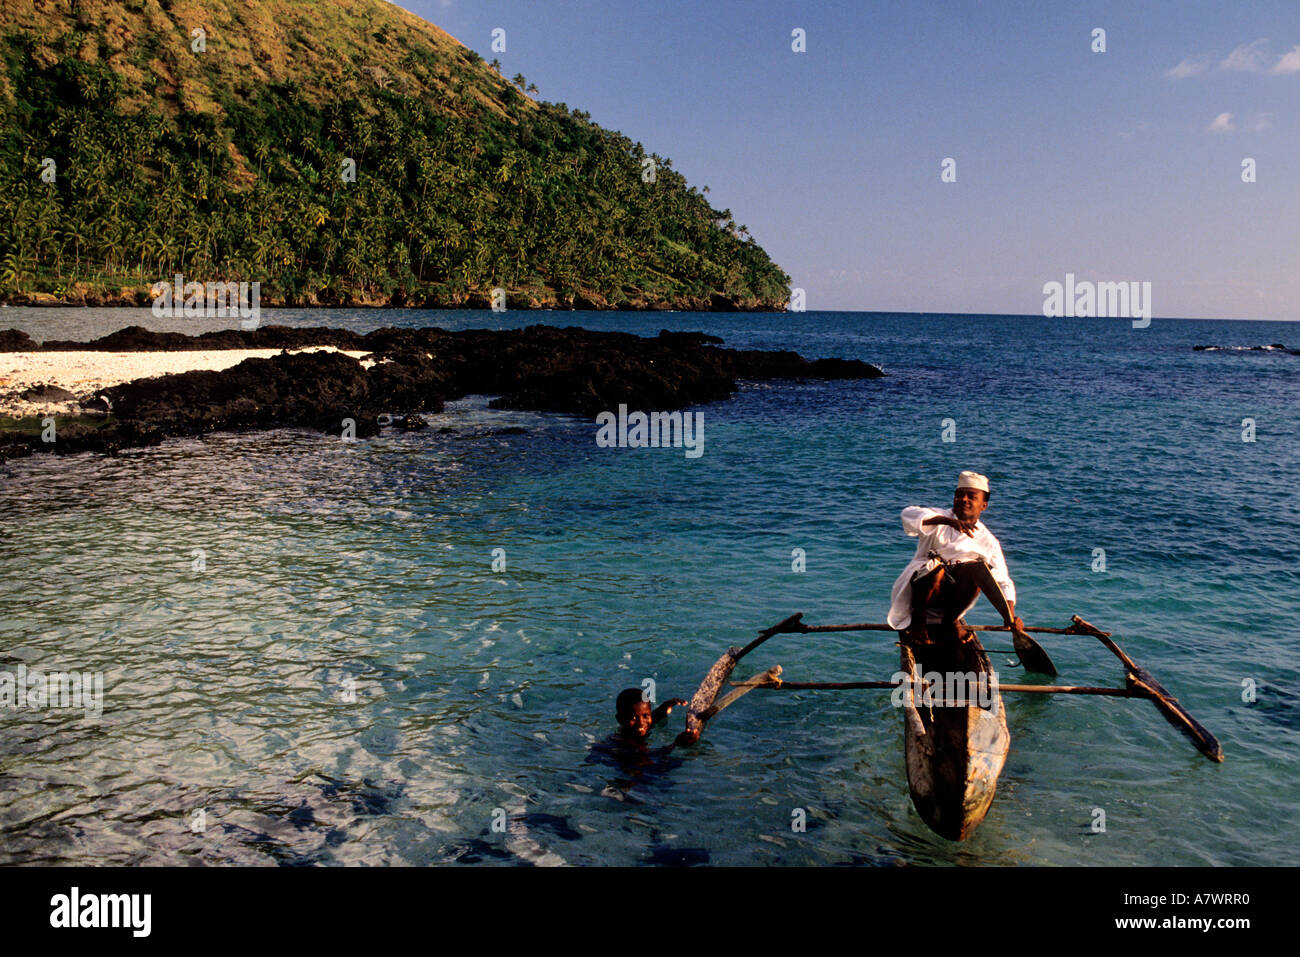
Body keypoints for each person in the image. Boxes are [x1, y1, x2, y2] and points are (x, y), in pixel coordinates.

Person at [886, 471, 1025, 644]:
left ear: (983, 505)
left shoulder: (988, 541)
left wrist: (1010, 615)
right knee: (935, 568)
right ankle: (918, 622)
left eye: (971, 496)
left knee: (978, 569)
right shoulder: (939, 517)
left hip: (951, 602)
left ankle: (951, 621)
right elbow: (907, 514)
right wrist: (948, 521)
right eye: (959, 495)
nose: (964, 499)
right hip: (922, 594)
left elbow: (1003, 581)